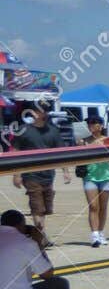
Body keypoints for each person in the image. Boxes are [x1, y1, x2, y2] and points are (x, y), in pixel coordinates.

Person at [9, 103, 64, 247]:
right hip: (30, 175)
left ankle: (41, 234)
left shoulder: (53, 131)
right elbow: (15, 152)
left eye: (45, 110)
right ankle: (40, 235)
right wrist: (17, 174)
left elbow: (62, 152)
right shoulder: (23, 130)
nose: (43, 113)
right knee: (37, 207)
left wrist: (66, 172)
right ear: (33, 112)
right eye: (40, 110)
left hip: (48, 175)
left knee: (45, 209)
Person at [0, 209, 69, 289]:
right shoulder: (27, 244)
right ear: (22, 225)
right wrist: (38, 243)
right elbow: (47, 274)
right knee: (61, 283)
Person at [79, 115, 109, 247]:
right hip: (90, 175)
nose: (91, 125)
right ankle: (94, 234)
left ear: (100, 125)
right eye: (89, 123)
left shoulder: (108, 140)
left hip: (106, 175)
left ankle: (101, 231)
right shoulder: (83, 141)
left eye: (94, 123)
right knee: (93, 206)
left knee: (103, 207)